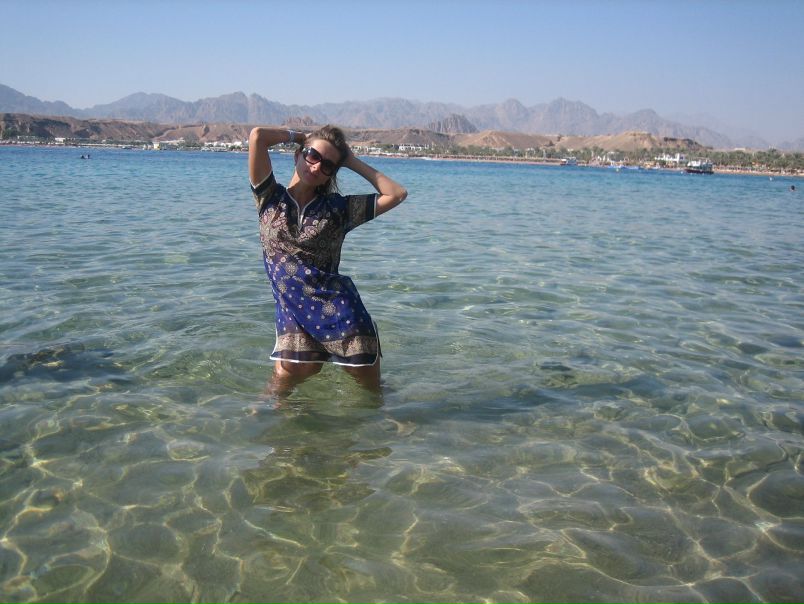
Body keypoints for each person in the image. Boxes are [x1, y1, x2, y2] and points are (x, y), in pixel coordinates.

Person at [248, 125, 407, 394]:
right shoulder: (269, 198)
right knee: (280, 389)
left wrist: (350, 161)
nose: (316, 167)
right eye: (312, 156)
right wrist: (299, 137)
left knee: (372, 393)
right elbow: (257, 137)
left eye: (328, 166)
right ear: (298, 154)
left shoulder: (338, 210)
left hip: (341, 314)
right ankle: (256, 420)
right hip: (293, 313)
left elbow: (397, 193)